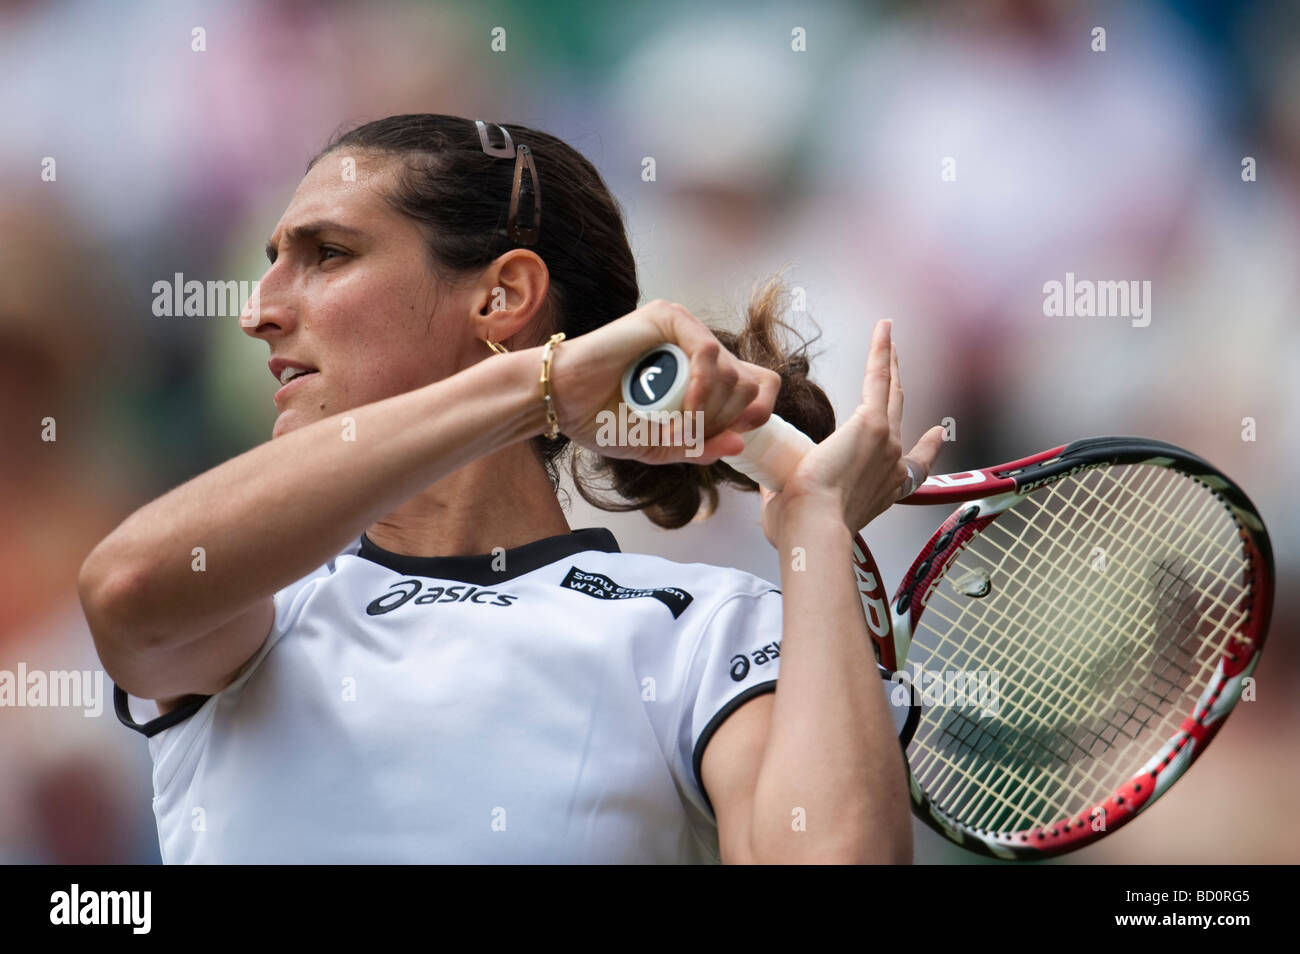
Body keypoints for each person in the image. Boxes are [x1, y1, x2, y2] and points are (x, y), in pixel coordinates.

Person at [78, 114, 944, 864]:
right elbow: (127, 588)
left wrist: (816, 527)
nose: (258, 310)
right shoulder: (259, 608)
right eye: (273, 261)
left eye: (327, 255)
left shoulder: (704, 631)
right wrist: (543, 383)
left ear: (504, 297)